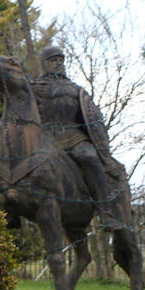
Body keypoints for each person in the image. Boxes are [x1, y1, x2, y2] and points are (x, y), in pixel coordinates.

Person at [32, 45, 125, 230]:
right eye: (53, 60)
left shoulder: (76, 90)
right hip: (46, 138)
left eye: (61, 60)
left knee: (89, 157)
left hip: (73, 136)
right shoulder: (35, 88)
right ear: (44, 63)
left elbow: (91, 118)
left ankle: (105, 211)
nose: (58, 63)